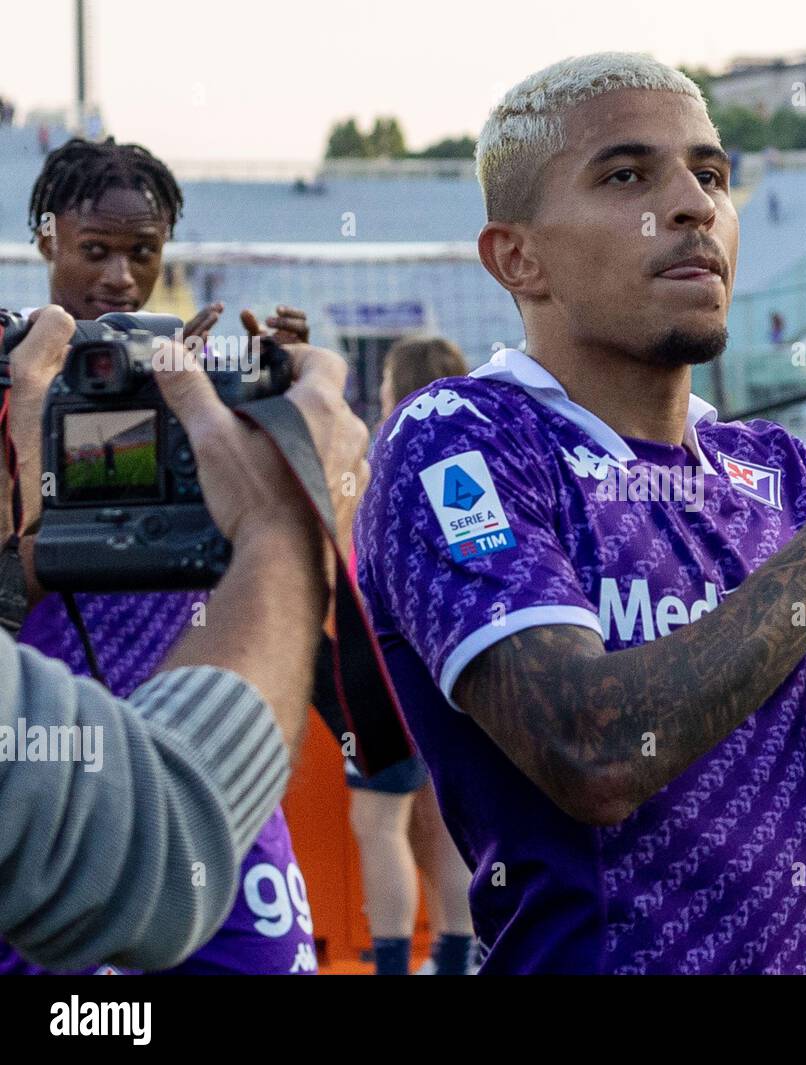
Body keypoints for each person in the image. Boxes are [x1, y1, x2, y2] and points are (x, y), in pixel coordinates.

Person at [355, 52, 806, 975]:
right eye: (627, 175)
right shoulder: (461, 438)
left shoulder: (770, 471)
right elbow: (593, 751)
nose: (692, 203)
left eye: (711, 174)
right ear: (517, 256)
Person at [2, 137, 317, 976]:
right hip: (52, 764)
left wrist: (271, 402)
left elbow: (265, 537)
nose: (118, 277)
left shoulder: (203, 385)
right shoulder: (11, 375)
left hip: (206, 745)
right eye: (94, 250)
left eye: (141, 252)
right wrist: (33, 395)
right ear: (45, 239)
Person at [0, 306, 371, 972]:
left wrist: (259, 415)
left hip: (206, 787)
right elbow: (163, 853)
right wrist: (287, 525)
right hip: (151, 797)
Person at [346, 335, 475, 976]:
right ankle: (457, 956)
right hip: (452, 663)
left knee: (379, 822)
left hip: (385, 665)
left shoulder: (383, 461)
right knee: (441, 817)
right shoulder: (475, 458)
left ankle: (392, 965)